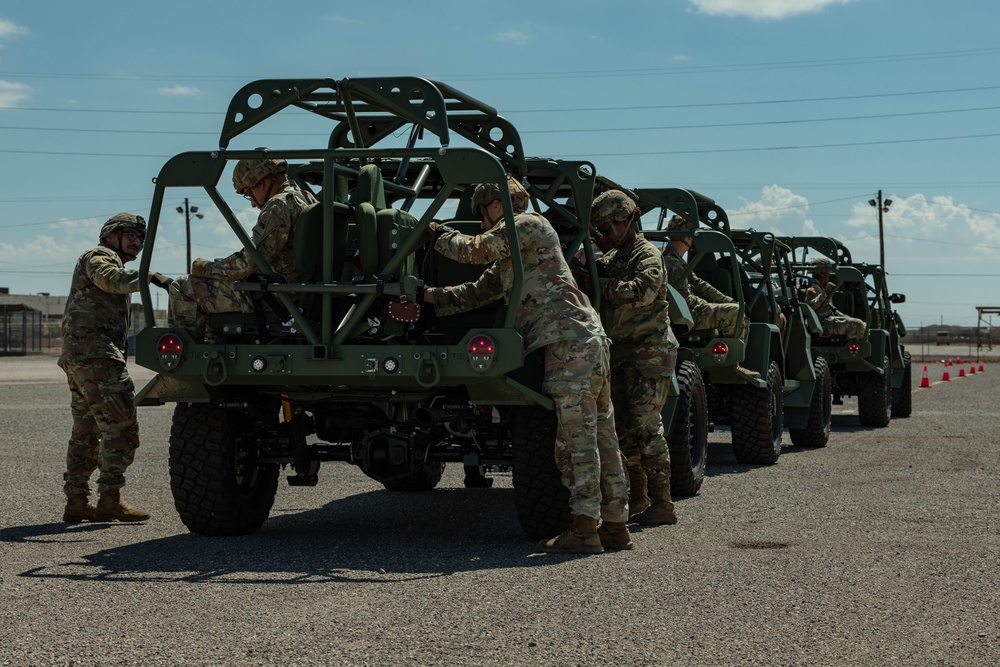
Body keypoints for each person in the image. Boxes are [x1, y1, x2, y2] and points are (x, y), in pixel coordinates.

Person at [422, 176, 632, 554]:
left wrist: (436, 234)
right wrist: (427, 297)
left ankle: (585, 529)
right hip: (581, 339)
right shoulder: (519, 251)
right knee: (600, 431)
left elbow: (474, 250)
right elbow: (475, 292)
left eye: (483, 215)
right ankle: (615, 525)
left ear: (497, 205)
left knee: (576, 437)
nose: (484, 224)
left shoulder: (527, 223)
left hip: (568, 343)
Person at [59, 213, 172, 523]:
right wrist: (146, 278)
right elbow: (108, 278)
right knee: (122, 428)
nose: (137, 241)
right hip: (97, 357)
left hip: (81, 357)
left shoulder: (109, 259)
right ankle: (109, 499)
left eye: (141, 237)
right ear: (110, 235)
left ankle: (77, 502)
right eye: (130, 235)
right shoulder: (100, 256)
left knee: (86, 431)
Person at [590, 190, 678, 526]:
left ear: (625, 220)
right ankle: (639, 498)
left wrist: (602, 285)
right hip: (622, 351)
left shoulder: (646, 255)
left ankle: (663, 503)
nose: (605, 235)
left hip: (649, 352)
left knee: (646, 428)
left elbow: (642, 292)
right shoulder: (617, 255)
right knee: (624, 429)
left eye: (608, 227)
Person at [168, 155, 317, 338]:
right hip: (298, 290)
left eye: (248, 193)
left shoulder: (279, 205)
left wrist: (207, 268)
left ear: (259, 183)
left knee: (183, 287)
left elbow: (250, 262)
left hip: (276, 295)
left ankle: (197, 357)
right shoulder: (307, 198)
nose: (253, 203)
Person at [662, 214, 757, 377]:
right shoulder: (673, 263)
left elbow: (699, 285)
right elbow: (686, 299)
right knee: (737, 314)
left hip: (686, 310)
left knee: (736, 308)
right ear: (687, 236)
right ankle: (733, 364)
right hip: (685, 314)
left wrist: (729, 300)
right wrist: (734, 305)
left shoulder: (672, 259)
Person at [805, 258, 867, 339]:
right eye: (827, 273)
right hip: (822, 323)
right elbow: (812, 306)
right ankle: (854, 346)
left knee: (864, 325)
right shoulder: (812, 288)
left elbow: (832, 309)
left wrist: (845, 317)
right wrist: (826, 293)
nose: (829, 275)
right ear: (822, 273)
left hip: (829, 319)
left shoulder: (821, 287)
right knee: (858, 325)